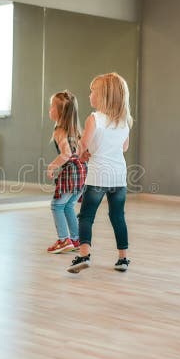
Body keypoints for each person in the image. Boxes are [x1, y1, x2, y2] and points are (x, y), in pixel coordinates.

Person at [67, 72, 132, 274]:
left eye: (92, 91)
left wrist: (82, 152)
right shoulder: (125, 121)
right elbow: (124, 148)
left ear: (103, 95)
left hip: (98, 176)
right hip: (119, 176)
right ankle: (123, 258)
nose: (89, 95)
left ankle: (84, 254)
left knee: (86, 216)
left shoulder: (94, 118)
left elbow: (84, 144)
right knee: (118, 217)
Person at [45, 90, 87, 254]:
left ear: (60, 112)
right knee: (68, 205)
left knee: (56, 206)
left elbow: (67, 154)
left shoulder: (59, 131)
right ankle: (76, 239)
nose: (49, 110)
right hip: (82, 171)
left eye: (51, 107)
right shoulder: (75, 130)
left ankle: (63, 240)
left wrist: (52, 166)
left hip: (71, 171)